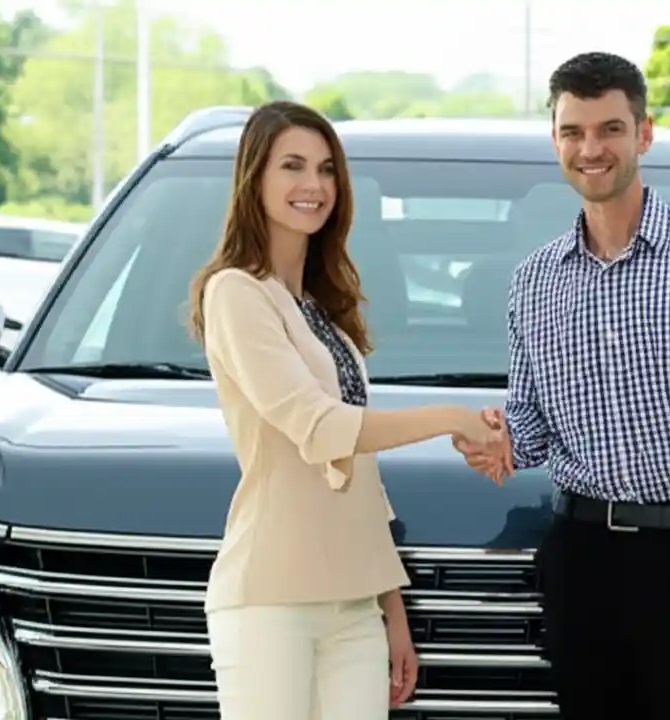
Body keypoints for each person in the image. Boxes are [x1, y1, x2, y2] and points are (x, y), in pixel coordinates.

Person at [454, 52, 670, 719]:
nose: (591, 148)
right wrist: (501, 440)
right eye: (573, 132)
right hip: (582, 561)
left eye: (609, 128)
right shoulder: (534, 282)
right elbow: (534, 419)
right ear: (555, 141)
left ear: (644, 132)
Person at [186, 100, 504, 720]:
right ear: (254, 178)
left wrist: (391, 610)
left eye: (327, 169)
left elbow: (364, 482)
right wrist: (453, 419)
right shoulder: (235, 294)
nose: (314, 185)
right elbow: (322, 429)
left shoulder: (322, 313)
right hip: (271, 599)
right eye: (293, 166)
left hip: (353, 606)